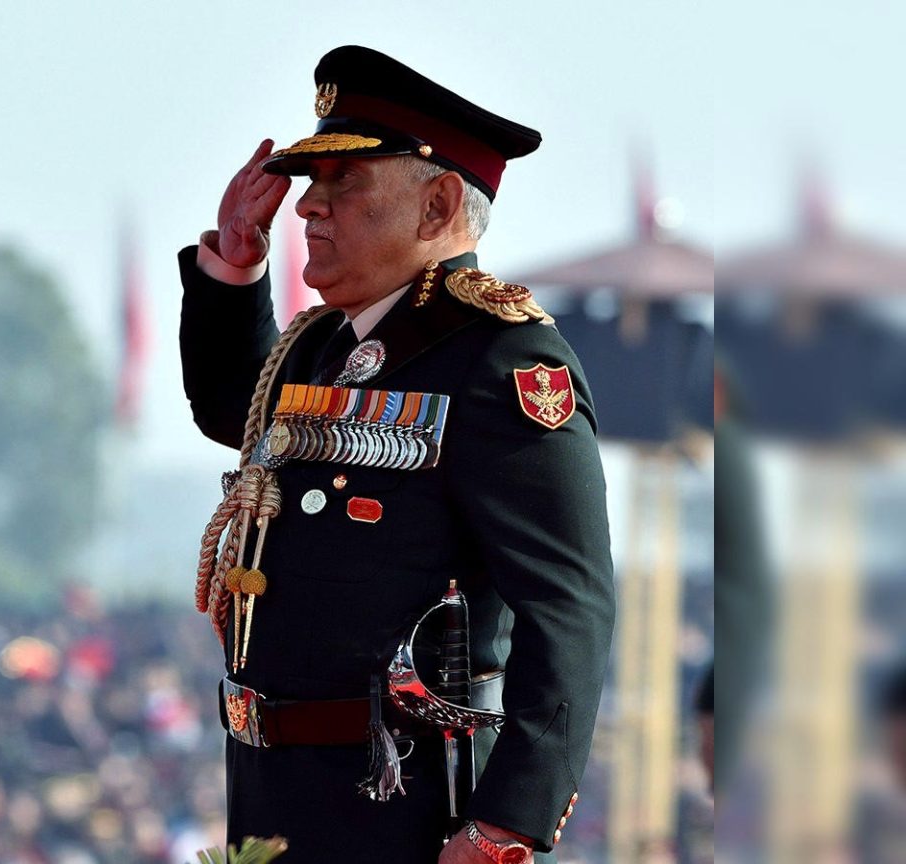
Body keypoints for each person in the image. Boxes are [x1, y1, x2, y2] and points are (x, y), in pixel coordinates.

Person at [180, 46, 615, 863]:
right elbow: (236, 410)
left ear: (437, 203)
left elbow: (569, 608)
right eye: (311, 181)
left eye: (344, 181)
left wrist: (507, 825)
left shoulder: (503, 363)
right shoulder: (321, 346)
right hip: (273, 789)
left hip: (408, 803)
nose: (309, 205)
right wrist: (234, 266)